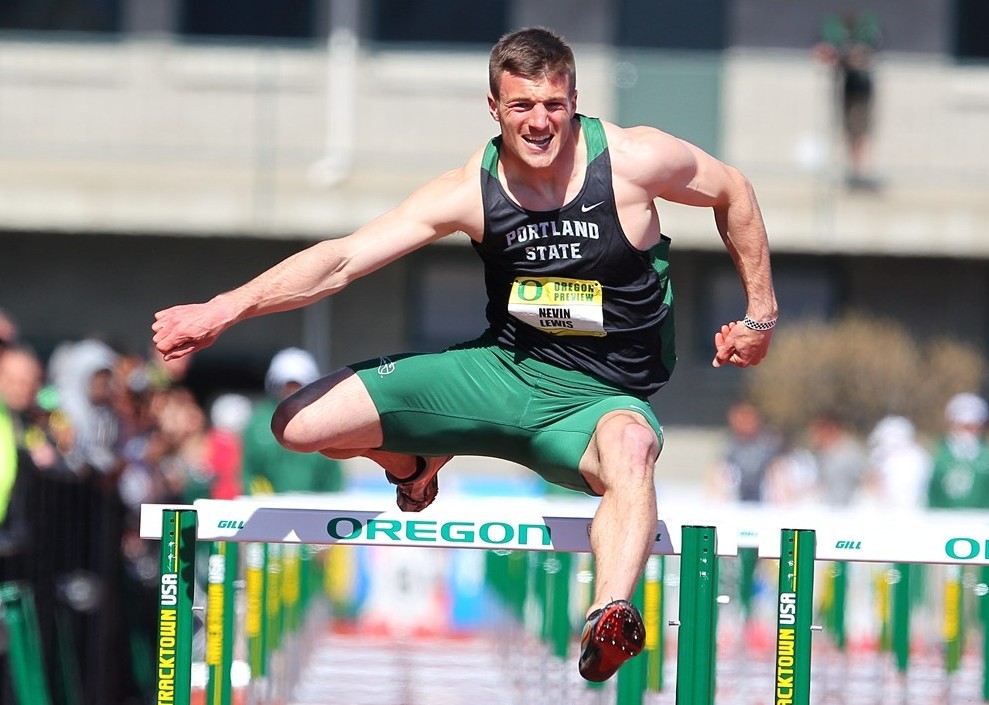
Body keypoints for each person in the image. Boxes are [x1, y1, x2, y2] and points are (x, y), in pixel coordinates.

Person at [152, 27, 777, 682]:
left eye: (553, 105)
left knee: (630, 450)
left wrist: (759, 314)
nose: (539, 122)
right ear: (493, 107)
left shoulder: (631, 159)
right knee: (299, 423)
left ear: (573, 99)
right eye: (521, 107)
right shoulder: (468, 191)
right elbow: (340, 259)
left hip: (595, 404)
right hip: (498, 373)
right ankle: (413, 463)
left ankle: (607, 614)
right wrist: (225, 307)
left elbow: (732, 188)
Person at [242, 348, 343, 496]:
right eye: (287, 384)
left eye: (297, 384)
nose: (291, 391)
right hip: (269, 509)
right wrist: (262, 502)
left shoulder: (326, 422)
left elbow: (333, 478)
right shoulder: (258, 424)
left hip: (315, 509)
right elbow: (249, 473)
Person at [814, 10, 882, 190]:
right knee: (849, 130)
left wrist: (854, 58)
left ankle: (860, 170)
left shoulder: (867, 30)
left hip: (862, 91)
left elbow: (866, 57)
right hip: (847, 89)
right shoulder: (838, 29)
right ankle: (853, 169)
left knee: (862, 130)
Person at [927, 392, 989, 510]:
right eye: (964, 426)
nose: (969, 431)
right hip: (942, 521)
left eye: (974, 426)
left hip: (979, 522)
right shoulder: (937, 454)